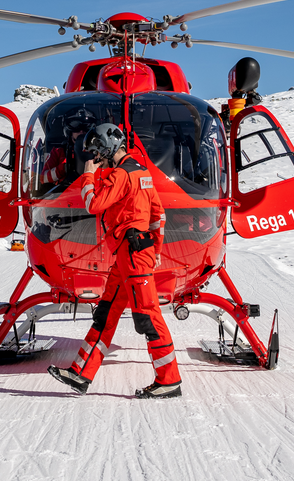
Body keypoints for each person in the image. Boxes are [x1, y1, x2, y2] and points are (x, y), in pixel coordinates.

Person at [48, 123, 181, 399]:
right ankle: (81, 372)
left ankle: (169, 380)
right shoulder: (142, 173)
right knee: (105, 313)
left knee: (148, 317)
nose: (98, 159)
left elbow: (93, 204)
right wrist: (155, 250)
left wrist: (87, 176)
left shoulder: (121, 175)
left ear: (108, 149)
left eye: (98, 153)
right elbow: (158, 215)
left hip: (133, 257)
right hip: (130, 255)